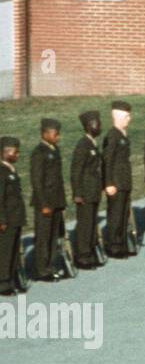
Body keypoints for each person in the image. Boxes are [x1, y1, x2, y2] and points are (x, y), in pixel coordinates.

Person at [31, 118, 67, 281]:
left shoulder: (55, 150)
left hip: (56, 201)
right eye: (55, 134)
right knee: (43, 237)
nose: (58, 137)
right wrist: (44, 203)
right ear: (45, 133)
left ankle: (51, 266)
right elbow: (37, 181)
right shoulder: (39, 153)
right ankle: (41, 270)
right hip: (45, 202)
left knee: (53, 237)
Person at [70, 110, 105, 270]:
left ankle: (90, 253)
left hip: (93, 191)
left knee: (91, 223)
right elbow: (76, 170)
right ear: (89, 126)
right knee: (85, 225)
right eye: (97, 123)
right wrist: (77, 193)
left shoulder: (92, 143)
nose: (100, 126)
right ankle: (82, 256)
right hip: (85, 193)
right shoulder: (83, 145)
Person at [102, 101, 134, 257]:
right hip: (117, 182)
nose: (130, 119)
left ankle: (121, 243)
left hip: (124, 181)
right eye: (127, 116)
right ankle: (114, 245)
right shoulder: (113, 136)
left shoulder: (122, 135)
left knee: (123, 214)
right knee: (116, 215)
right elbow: (107, 161)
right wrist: (108, 183)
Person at [0, 137, 26, 295]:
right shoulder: (1, 171)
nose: (18, 154)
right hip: (7, 220)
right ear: (5, 152)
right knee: (5, 251)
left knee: (14, 250)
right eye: (15, 151)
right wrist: (1, 219)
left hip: (16, 217)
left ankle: (12, 279)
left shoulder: (11, 169)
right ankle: (3, 283)